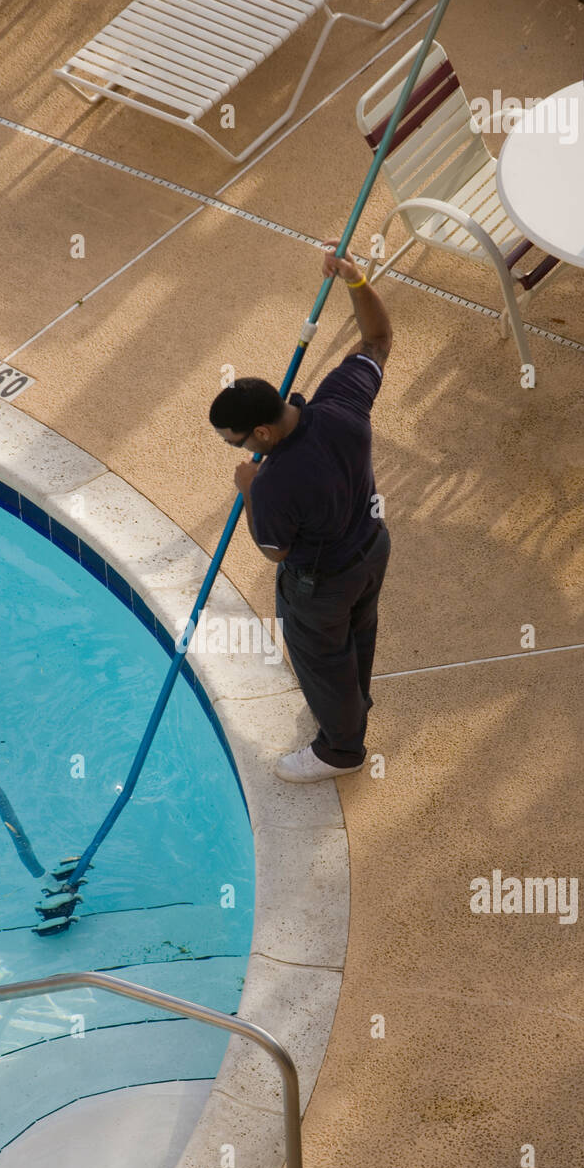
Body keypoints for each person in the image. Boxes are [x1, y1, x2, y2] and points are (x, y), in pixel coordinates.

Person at [209, 240, 392, 782]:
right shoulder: (342, 403)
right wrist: (356, 281)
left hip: (321, 581)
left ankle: (341, 750)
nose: (239, 452)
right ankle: (353, 706)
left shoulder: (272, 485)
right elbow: (378, 338)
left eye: (237, 442)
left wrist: (247, 491)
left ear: (261, 431)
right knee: (359, 632)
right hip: (372, 549)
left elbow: (275, 550)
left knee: (321, 657)